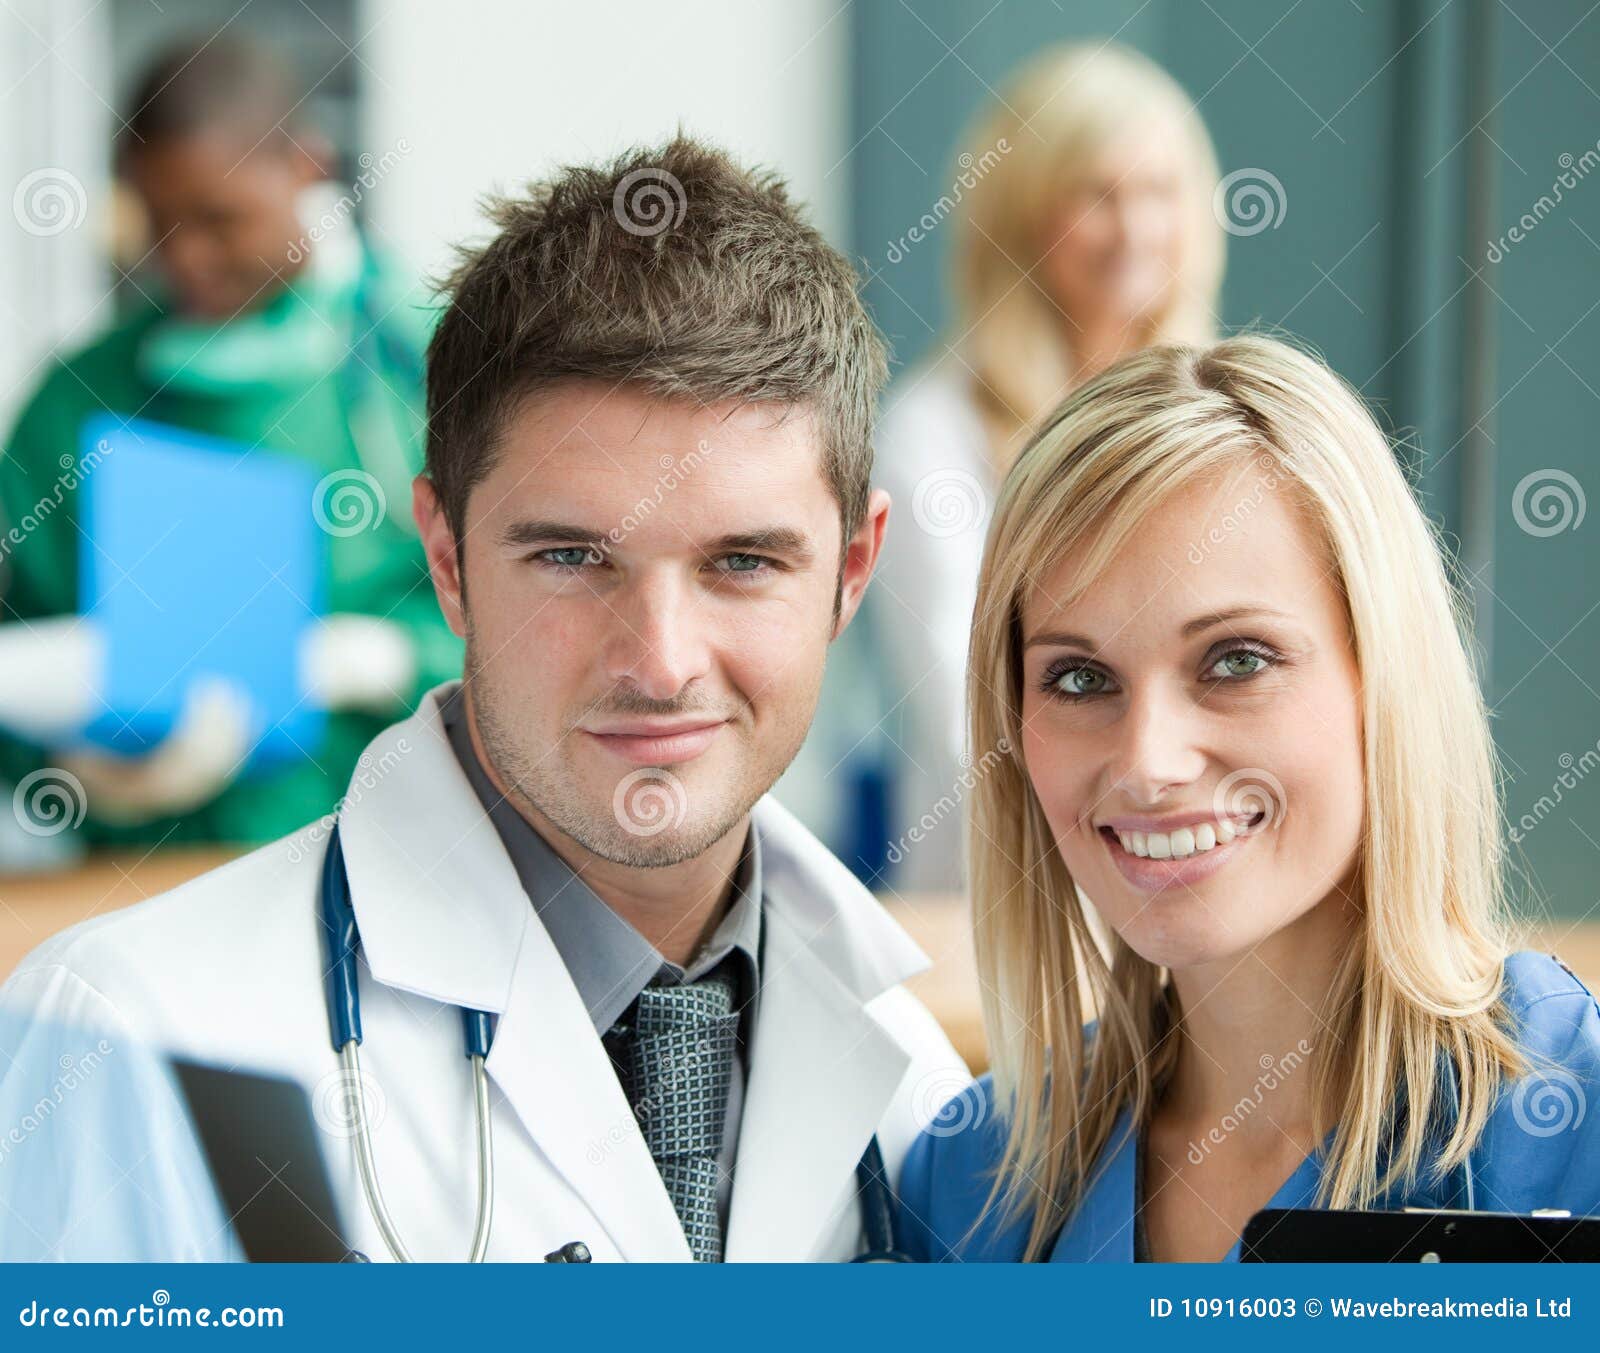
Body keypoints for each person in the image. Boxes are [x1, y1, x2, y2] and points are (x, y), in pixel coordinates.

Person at [0, 135, 966, 1263]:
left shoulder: (916, 1099)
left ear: (852, 573)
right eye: (571, 558)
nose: (659, 663)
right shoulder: (136, 1036)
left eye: (743, 563)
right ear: (447, 560)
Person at [896, 336, 1600, 1262]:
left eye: (1236, 660)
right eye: (1077, 678)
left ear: (1381, 675)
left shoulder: (1568, 1126)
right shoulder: (967, 1184)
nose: (1148, 763)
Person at [0, 35, 460, 847]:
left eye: (220, 220)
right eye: (158, 223)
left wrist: (387, 658)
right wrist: (68, 768)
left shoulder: (423, 367)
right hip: (141, 885)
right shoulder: (78, 399)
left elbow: (542, 617)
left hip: (393, 860)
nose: (186, 258)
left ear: (306, 168)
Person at [864, 42, 1225, 892]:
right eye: (1096, 196)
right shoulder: (932, 431)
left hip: (1191, 870)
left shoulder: (1226, 415)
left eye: (1160, 193)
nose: (1136, 230)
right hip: (1006, 892)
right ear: (1025, 219)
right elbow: (963, 711)